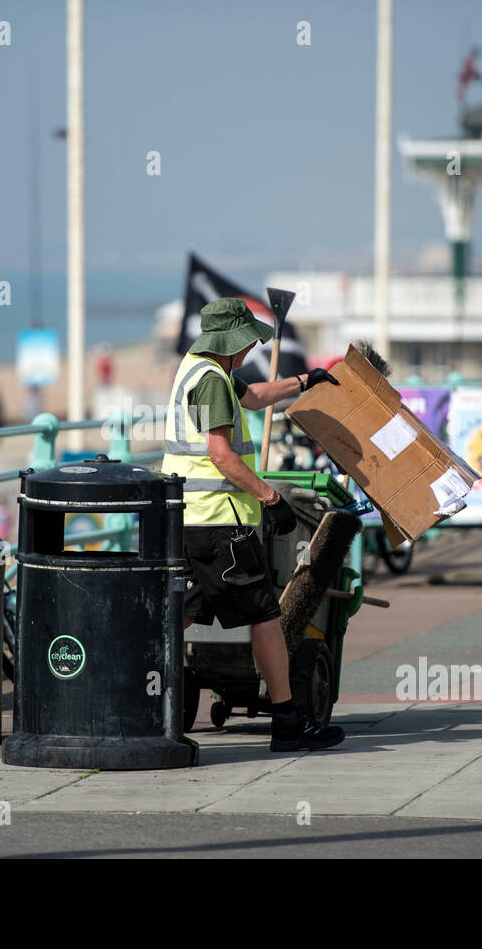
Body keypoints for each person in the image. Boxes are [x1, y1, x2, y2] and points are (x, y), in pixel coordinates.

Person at [162, 297, 343, 751]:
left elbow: (256, 396)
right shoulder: (210, 382)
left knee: (182, 612)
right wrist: (271, 497)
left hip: (191, 521)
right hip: (221, 523)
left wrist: (306, 381)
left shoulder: (201, 370)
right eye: (245, 345)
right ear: (232, 343)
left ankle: (135, 692)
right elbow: (220, 455)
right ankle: (287, 722)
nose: (247, 353)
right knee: (265, 614)